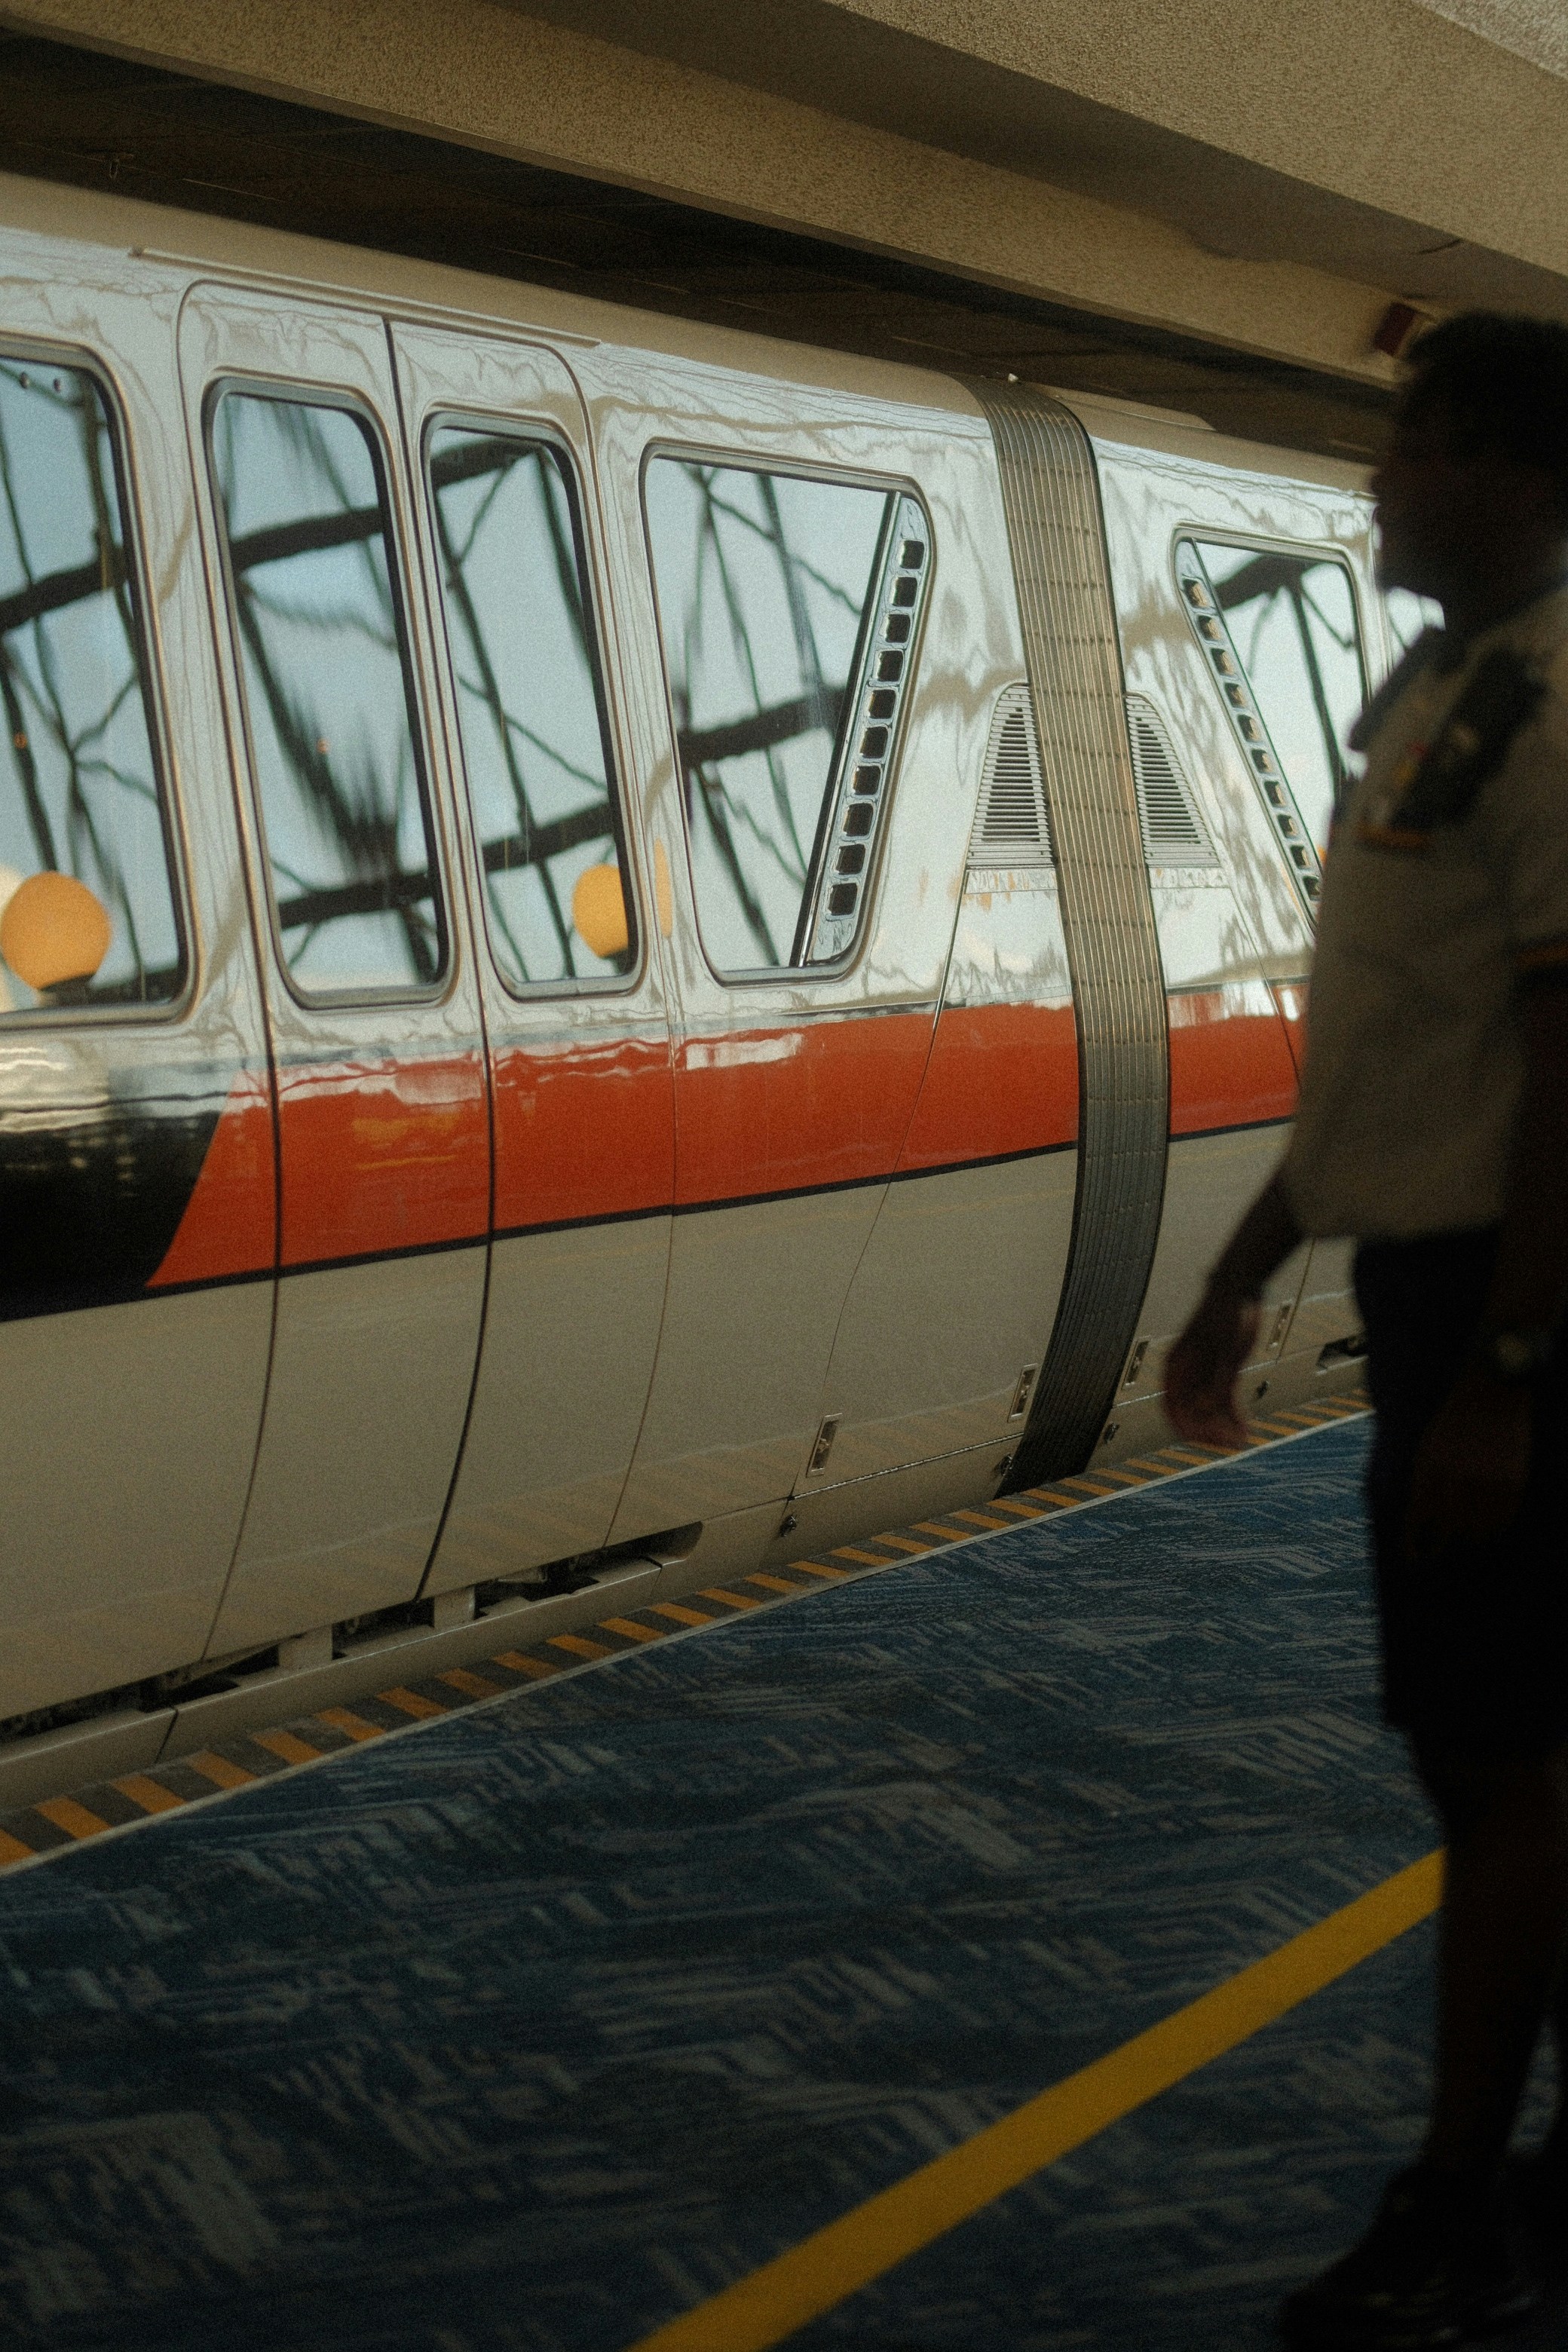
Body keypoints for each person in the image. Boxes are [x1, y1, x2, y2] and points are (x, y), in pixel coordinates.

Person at [1165, 311, 1568, 2350]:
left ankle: (1459, 2214)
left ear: (1512, 475)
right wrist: (1246, 1264)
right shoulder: (1436, 693)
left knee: (1498, 1766)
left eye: (1414, 442)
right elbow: (1386, 1049)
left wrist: (1507, 1375)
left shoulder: (1556, 712)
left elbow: (1566, 1062)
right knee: (1501, 1756)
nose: (1377, 478)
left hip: (1513, 1308)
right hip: (1434, 1293)